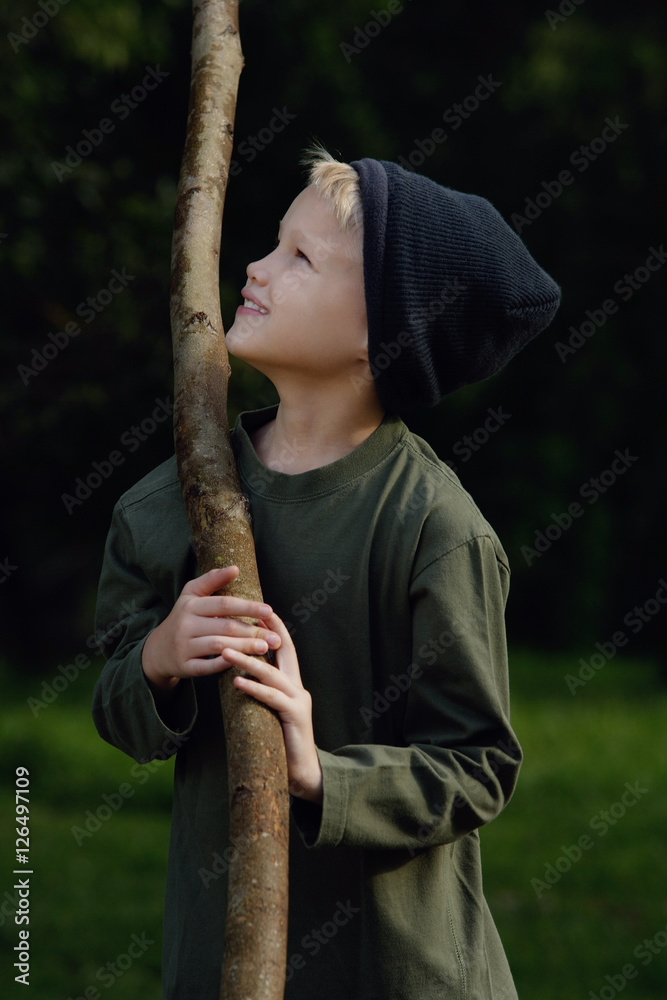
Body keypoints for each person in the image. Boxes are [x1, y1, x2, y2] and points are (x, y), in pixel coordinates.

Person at [92, 147, 560, 999]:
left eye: (299, 258)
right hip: (219, 966)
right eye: (273, 243)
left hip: (396, 974)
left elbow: (477, 763)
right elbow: (115, 709)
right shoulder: (170, 504)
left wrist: (319, 772)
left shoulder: (434, 529)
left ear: (378, 334)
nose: (255, 266)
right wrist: (158, 659)